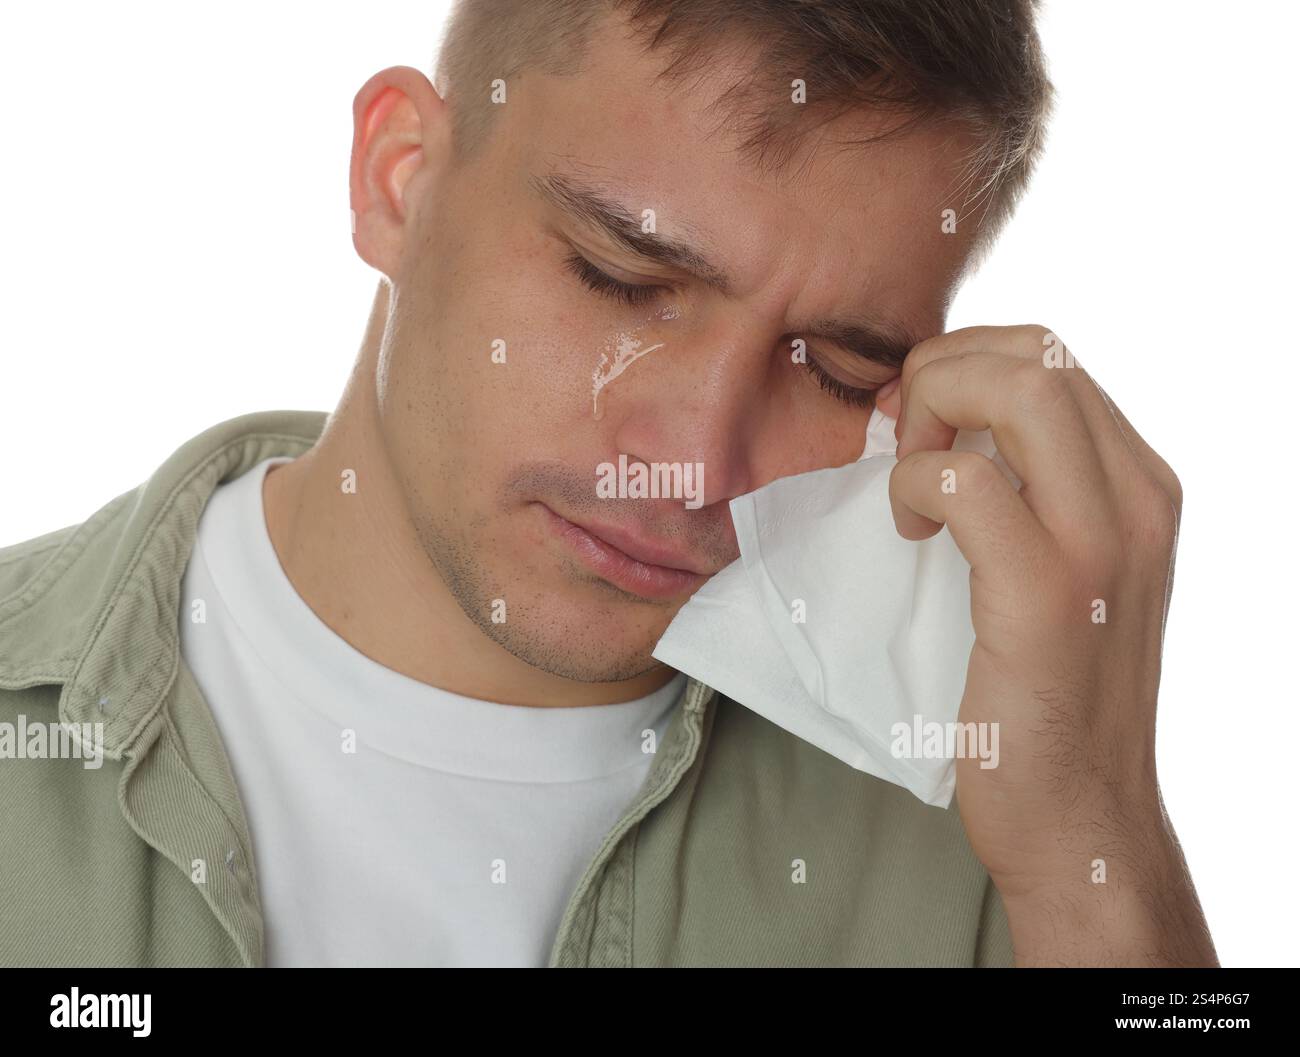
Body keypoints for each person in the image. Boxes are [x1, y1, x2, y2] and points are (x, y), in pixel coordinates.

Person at [0, 0, 1216, 967]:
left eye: (839, 368)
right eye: (619, 280)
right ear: (397, 178)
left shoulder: (993, 842)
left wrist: (1094, 857)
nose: (692, 458)